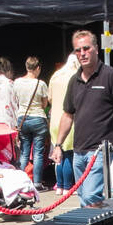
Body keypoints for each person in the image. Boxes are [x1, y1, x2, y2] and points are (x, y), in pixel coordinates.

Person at [52, 30, 113, 206]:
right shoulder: (74, 81)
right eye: (78, 50)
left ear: (96, 49)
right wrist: (58, 145)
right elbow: (68, 114)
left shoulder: (112, 76)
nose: (82, 53)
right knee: (83, 198)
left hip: (100, 150)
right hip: (78, 150)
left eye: (86, 48)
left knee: (91, 196)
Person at [13, 56, 50, 191]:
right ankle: (37, 183)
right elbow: (45, 103)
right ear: (38, 68)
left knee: (24, 151)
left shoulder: (17, 82)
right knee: (38, 153)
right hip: (38, 118)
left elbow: (15, 100)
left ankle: (22, 183)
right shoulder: (41, 84)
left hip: (22, 118)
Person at [48, 54, 79, 195]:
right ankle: (67, 187)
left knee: (57, 153)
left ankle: (59, 186)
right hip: (68, 119)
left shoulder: (56, 75)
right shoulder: (75, 75)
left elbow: (49, 98)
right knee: (68, 154)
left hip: (54, 119)